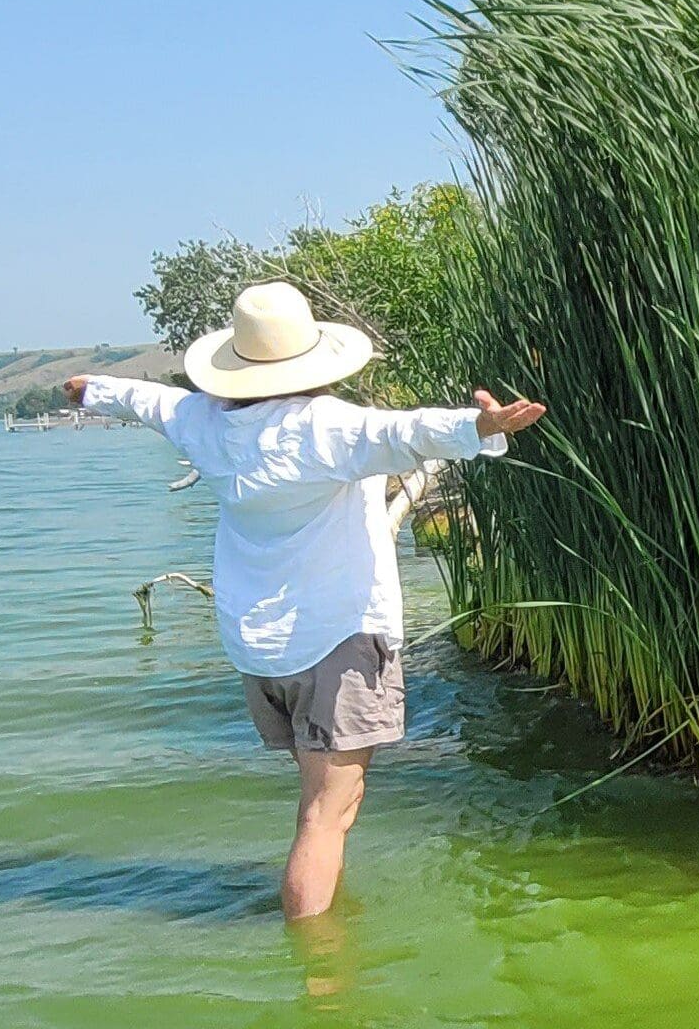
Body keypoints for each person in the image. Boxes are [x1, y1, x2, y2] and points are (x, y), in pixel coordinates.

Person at [65, 280, 544, 920]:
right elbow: (408, 432)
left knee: (318, 804)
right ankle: (320, 988)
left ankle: (318, 934)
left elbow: (147, 401)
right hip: (334, 641)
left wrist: (87, 388)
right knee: (326, 815)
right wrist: (481, 424)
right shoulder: (326, 427)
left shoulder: (204, 423)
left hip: (258, 651)